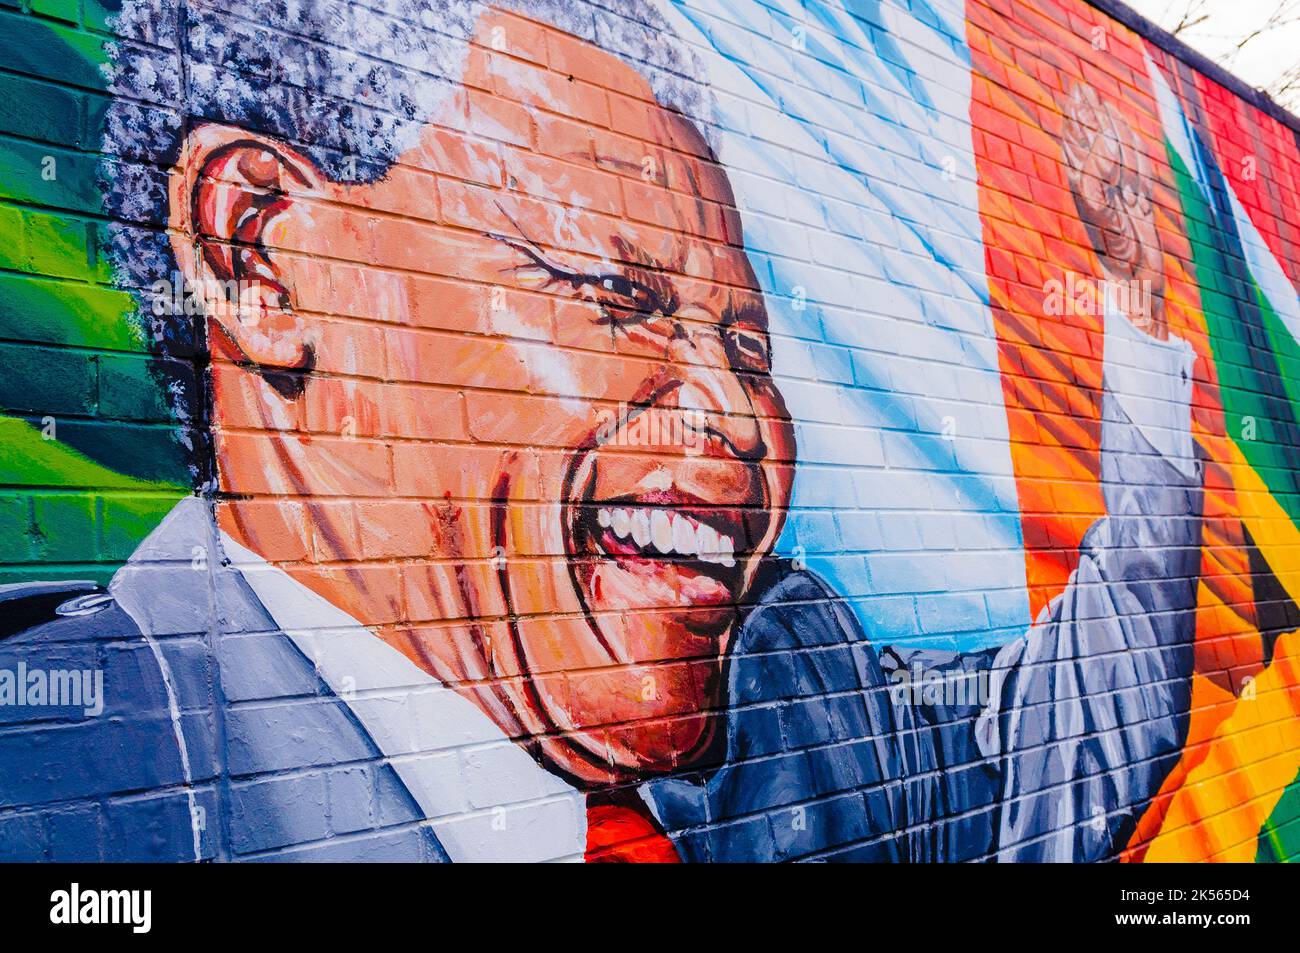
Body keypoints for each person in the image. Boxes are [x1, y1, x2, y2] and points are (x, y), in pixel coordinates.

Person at [0, 1, 1203, 863]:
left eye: (746, 348)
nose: (739, 419)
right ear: (261, 257)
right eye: (615, 297)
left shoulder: (780, 680)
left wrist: (1137, 317)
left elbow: (1068, 744)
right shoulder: (63, 771)